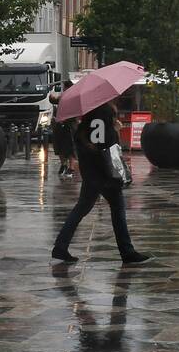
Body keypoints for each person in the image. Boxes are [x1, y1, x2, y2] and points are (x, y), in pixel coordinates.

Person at [52, 101, 150, 265]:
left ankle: (60, 247)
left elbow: (86, 141)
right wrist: (115, 130)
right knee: (117, 209)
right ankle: (127, 252)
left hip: (91, 171)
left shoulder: (88, 116)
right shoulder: (104, 112)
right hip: (105, 172)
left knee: (82, 209)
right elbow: (106, 144)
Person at [49, 80, 76, 178]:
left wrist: (65, 119)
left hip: (69, 126)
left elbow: (75, 114)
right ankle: (64, 165)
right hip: (60, 125)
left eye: (64, 87)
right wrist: (50, 93)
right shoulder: (63, 97)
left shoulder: (73, 97)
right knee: (59, 147)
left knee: (70, 148)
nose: (63, 89)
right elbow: (53, 100)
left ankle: (71, 168)